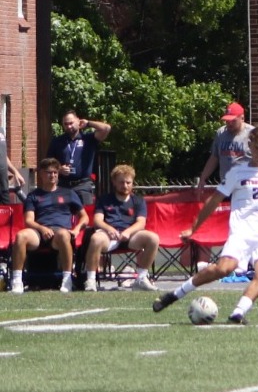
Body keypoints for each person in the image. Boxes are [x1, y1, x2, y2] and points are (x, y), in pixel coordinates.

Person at [155, 125, 258, 324]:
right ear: (250, 145)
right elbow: (214, 200)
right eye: (256, 148)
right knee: (224, 268)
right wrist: (193, 228)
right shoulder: (237, 172)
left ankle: (238, 313)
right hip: (242, 231)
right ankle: (174, 294)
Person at [10, 157, 82, 293]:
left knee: (63, 234)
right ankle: (17, 280)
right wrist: (42, 228)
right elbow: (29, 220)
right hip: (39, 232)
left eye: (55, 172)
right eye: (49, 172)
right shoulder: (33, 195)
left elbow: (83, 217)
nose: (52, 175)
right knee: (21, 236)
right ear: (41, 174)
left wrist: (77, 229)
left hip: (60, 233)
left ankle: (67, 280)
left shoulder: (69, 193)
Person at [83, 164, 159, 291]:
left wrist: (128, 232)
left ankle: (141, 278)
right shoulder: (104, 199)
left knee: (153, 238)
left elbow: (141, 223)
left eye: (128, 182)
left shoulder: (138, 201)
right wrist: (109, 229)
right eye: (121, 182)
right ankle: (90, 280)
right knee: (95, 238)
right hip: (108, 235)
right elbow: (97, 220)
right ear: (114, 182)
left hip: (131, 236)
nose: (125, 186)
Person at [49, 110, 112, 204]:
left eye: (71, 123)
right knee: (62, 215)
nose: (69, 126)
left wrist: (89, 123)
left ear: (78, 121)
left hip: (83, 185)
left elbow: (106, 128)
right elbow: (48, 163)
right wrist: (59, 169)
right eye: (66, 124)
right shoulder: (57, 141)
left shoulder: (88, 139)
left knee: (86, 214)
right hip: (63, 185)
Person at [197, 101, 254, 185]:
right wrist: (203, 178)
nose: (229, 124)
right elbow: (214, 157)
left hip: (246, 185)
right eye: (227, 121)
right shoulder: (221, 133)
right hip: (226, 185)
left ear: (242, 118)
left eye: (233, 121)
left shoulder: (253, 134)